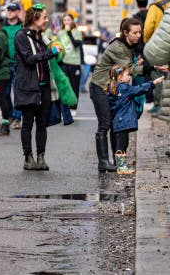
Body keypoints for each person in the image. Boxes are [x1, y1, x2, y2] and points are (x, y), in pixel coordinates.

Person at [89, 18, 166, 171]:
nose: (138, 35)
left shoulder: (129, 46)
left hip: (111, 88)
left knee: (113, 124)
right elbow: (130, 69)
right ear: (125, 33)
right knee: (105, 123)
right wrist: (153, 68)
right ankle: (103, 162)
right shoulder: (118, 47)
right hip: (100, 87)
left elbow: (133, 65)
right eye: (135, 32)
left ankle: (117, 162)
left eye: (140, 32)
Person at [13, 4, 61, 171]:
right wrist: (51, 53)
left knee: (42, 123)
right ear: (34, 19)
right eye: (44, 17)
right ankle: (28, 158)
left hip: (44, 87)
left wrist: (57, 52)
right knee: (27, 123)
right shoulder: (21, 36)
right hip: (28, 86)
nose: (47, 20)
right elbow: (29, 59)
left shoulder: (43, 37)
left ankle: (41, 156)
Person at [106, 64, 163, 174]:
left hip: (118, 121)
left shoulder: (113, 87)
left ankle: (121, 164)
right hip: (123, 122)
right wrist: (153, 83)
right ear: (120, 77)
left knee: (122, 143)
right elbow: (139, 89)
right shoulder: (124, 88)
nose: (130, 77)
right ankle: (121, 167)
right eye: (128, 75)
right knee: (122, 144)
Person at [57, 13, 83, 123]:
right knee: (65, 86)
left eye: (69, 20)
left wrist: (69, 33)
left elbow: (77, 44)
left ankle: (73, 107)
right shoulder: (59, 33)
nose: (67, 22)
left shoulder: (77, 32)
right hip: (64, 62)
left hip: (75, 62)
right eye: (65, 20)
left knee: (74, 86)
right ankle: (66, 108)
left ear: (72, 21)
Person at [3, 3, 24, 129]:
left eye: (12, 10)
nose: (9, 12)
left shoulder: (22, 27)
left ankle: (17, 117)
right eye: (8, 10)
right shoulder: (2, 26)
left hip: (18, 64)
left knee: (18, 92)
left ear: (17, 12)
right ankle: (10, 114)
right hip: (5, 64)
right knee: (4, 93)